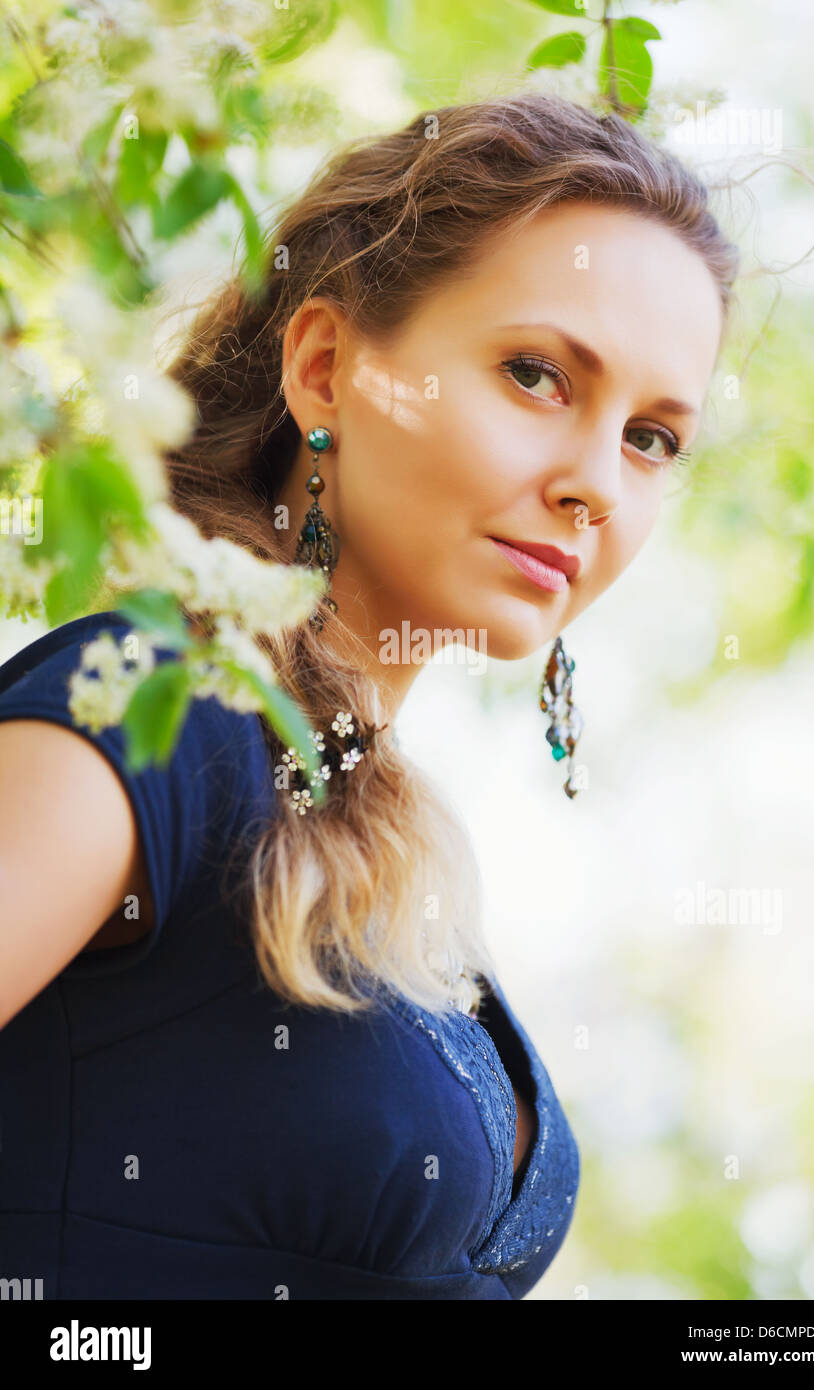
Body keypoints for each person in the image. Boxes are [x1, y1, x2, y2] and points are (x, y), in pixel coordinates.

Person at [0, 92, 738, 1299]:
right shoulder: (153, 717)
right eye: (538, 375)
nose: (596, 482)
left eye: (652, 439)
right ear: (327, 369)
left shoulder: (378, 834)